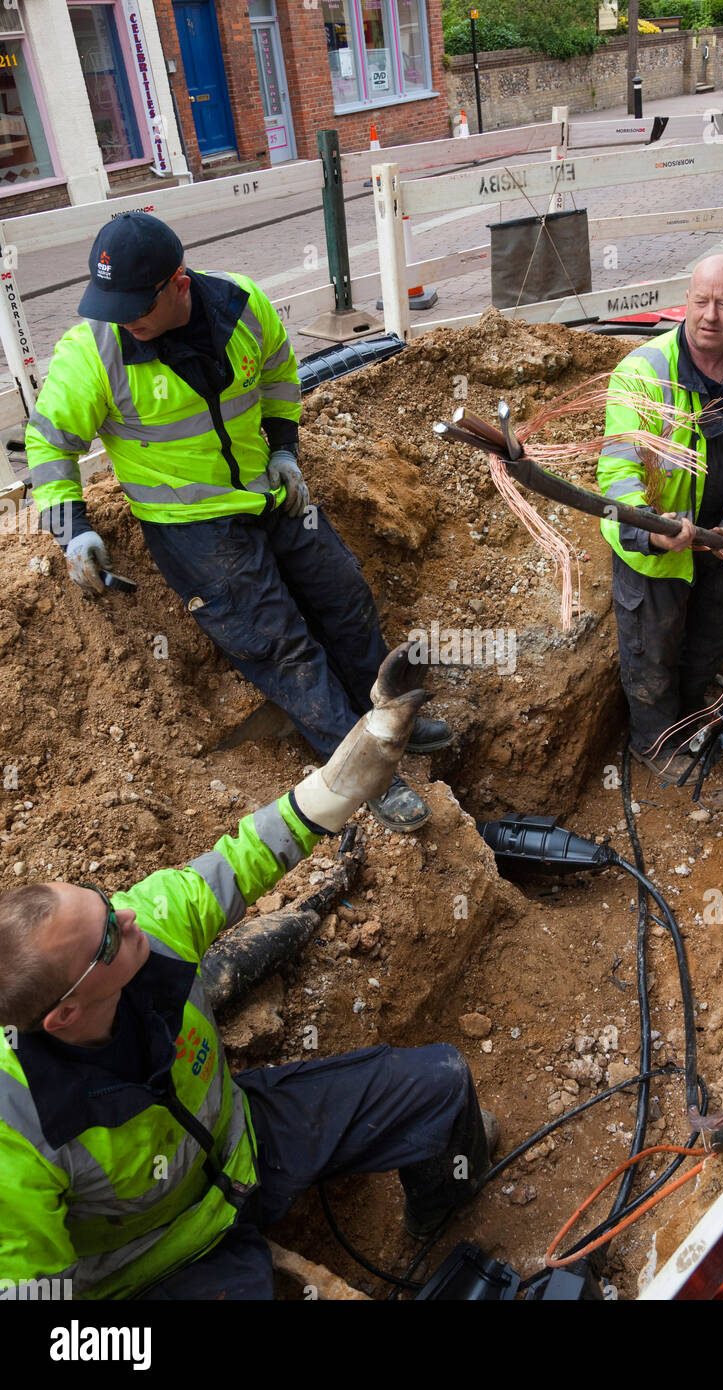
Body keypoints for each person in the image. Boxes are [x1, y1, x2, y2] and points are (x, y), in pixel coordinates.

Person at [0, 646, 495, 1300]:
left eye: (105, 901)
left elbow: (250, 853)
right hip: (166, 1261)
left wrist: (365, 750)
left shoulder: (145, 921)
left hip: (248, 1143)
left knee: (441, 1085)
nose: (130, 920)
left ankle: (437, 1212)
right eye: (106, 937)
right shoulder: (19, 1133)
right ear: (61, 1012)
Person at [24, 212, 447, 832]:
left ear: (180, 283)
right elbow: (48, 440)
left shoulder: (243, 306)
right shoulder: (95, 351)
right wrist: (72, 526)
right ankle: (357, 770)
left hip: (268, 497)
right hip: (192, 525)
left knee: (346, 596)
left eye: (136, 302)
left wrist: (282, 448)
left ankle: (382, 717)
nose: (122, 317)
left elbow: (279, 372)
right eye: (110, 303)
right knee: (280, 645)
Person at [597, 254, 723, 783]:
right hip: (653, 550)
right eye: (701, 301)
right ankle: (654, 747)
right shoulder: (644, 371)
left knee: (708, 638)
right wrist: (653, 532)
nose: (710, 315)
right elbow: (617, 470)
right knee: (651, 653)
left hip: (719, 542)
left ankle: (694, 718)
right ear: (686, 299)